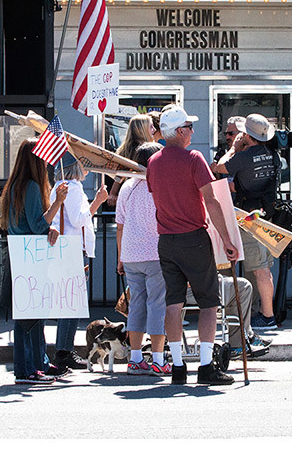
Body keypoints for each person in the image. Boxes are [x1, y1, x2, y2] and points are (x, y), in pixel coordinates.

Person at [149, 104, 238, 386]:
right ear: (178, 131)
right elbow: (210, 201)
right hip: (193, 238)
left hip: (166, 239)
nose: (192, 132)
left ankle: (176, 366)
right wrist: (226, 239)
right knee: (208, 303)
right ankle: (204, 366)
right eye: (189, 127)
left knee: (173, 303)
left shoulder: (153, 162)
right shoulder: (194, 159)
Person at [0, 138, 67, 384]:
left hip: (21, 254)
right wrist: (58, 202)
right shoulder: (30, 187)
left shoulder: (16, 185)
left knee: (32, 314)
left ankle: (38, 364)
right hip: (30, 255)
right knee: (29, 317)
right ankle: (26, 369)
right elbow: (39, 225)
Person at [212, 113, 279, 331]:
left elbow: (219, 168)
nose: (231, 137)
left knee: (259, 269)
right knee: (264, 267)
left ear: (245, 134)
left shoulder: (243, 156)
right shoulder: (271, 154)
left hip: (249, 218)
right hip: (265, 216)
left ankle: (267, 317)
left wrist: (233, 149)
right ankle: (266, 313)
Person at [46, 154, 107, 370]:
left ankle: (64, 350)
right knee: (70, 303)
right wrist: (98, 202)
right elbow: (79, 219)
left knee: (68, 302)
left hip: (66, 247)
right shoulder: (73, 187)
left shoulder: (62, 186)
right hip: (71, 248)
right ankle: (64, 351)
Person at [114, 142, 167, 376]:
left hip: (131, 254)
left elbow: (120, 226)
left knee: (136, 305)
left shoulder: (127, 187)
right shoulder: (161, 185)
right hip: (156, 253)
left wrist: (120, 258)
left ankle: (135, 359)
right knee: (157, 305)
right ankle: (158, 358)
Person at [106, 113, 156, 208]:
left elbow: (119, 175)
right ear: (142, 129)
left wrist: (113, 193)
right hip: (142, 195)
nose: (154, 130)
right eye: (151, 126)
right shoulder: (145, 151)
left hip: (129, 195)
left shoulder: (124, 149)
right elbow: (120, 174)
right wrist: (113, 193)